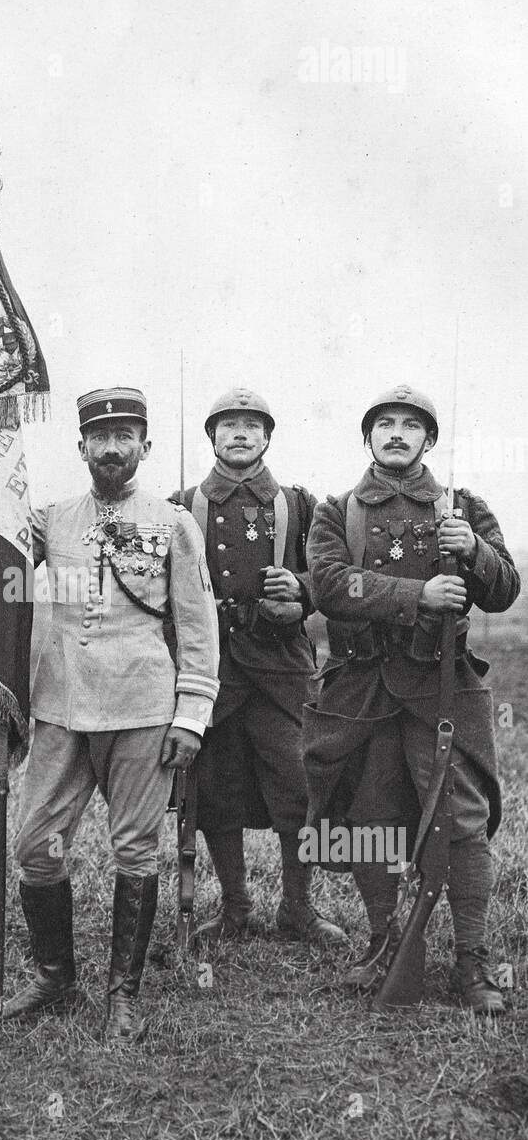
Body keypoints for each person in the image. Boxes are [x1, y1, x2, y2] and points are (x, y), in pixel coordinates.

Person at [3, 386, 220, 1041]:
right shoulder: (52, 520)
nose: (112, 447)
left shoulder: (173, 523)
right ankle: (54, 977)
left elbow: (197, 622)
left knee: (134, 850)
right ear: (81, 447)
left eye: (126, 435)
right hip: (64, 707)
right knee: (36, 846)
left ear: (144, 446)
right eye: (100, 436)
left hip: (141, 704)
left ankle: (122, 994)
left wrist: (191, 715)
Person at [303, 385, 520, 1014]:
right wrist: (416, 595)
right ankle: (385, 947)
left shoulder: (464, 507)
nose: (396, 434)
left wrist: (474, 551)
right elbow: (331, 586)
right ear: (367, 438)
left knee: (463, 825)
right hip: (362, 688)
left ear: (428, 439)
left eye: (410, 425)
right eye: (384, 425)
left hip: (443, 686)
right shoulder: (335, 510)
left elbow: (504, 591)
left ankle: (473, 965)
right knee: (370, 822)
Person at [178, 388, 346, 946]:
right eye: (228, 425)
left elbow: (331, 577)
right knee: (215, 791)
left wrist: (298, 591)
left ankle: (298, 908)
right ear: (213, 437)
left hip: (281, 670)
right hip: (213, 674)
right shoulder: (182, 504)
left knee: (297, 789)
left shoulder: (300, 503)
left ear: (269, 436)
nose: (241, 434)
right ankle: (236, 907)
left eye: (252, 425)